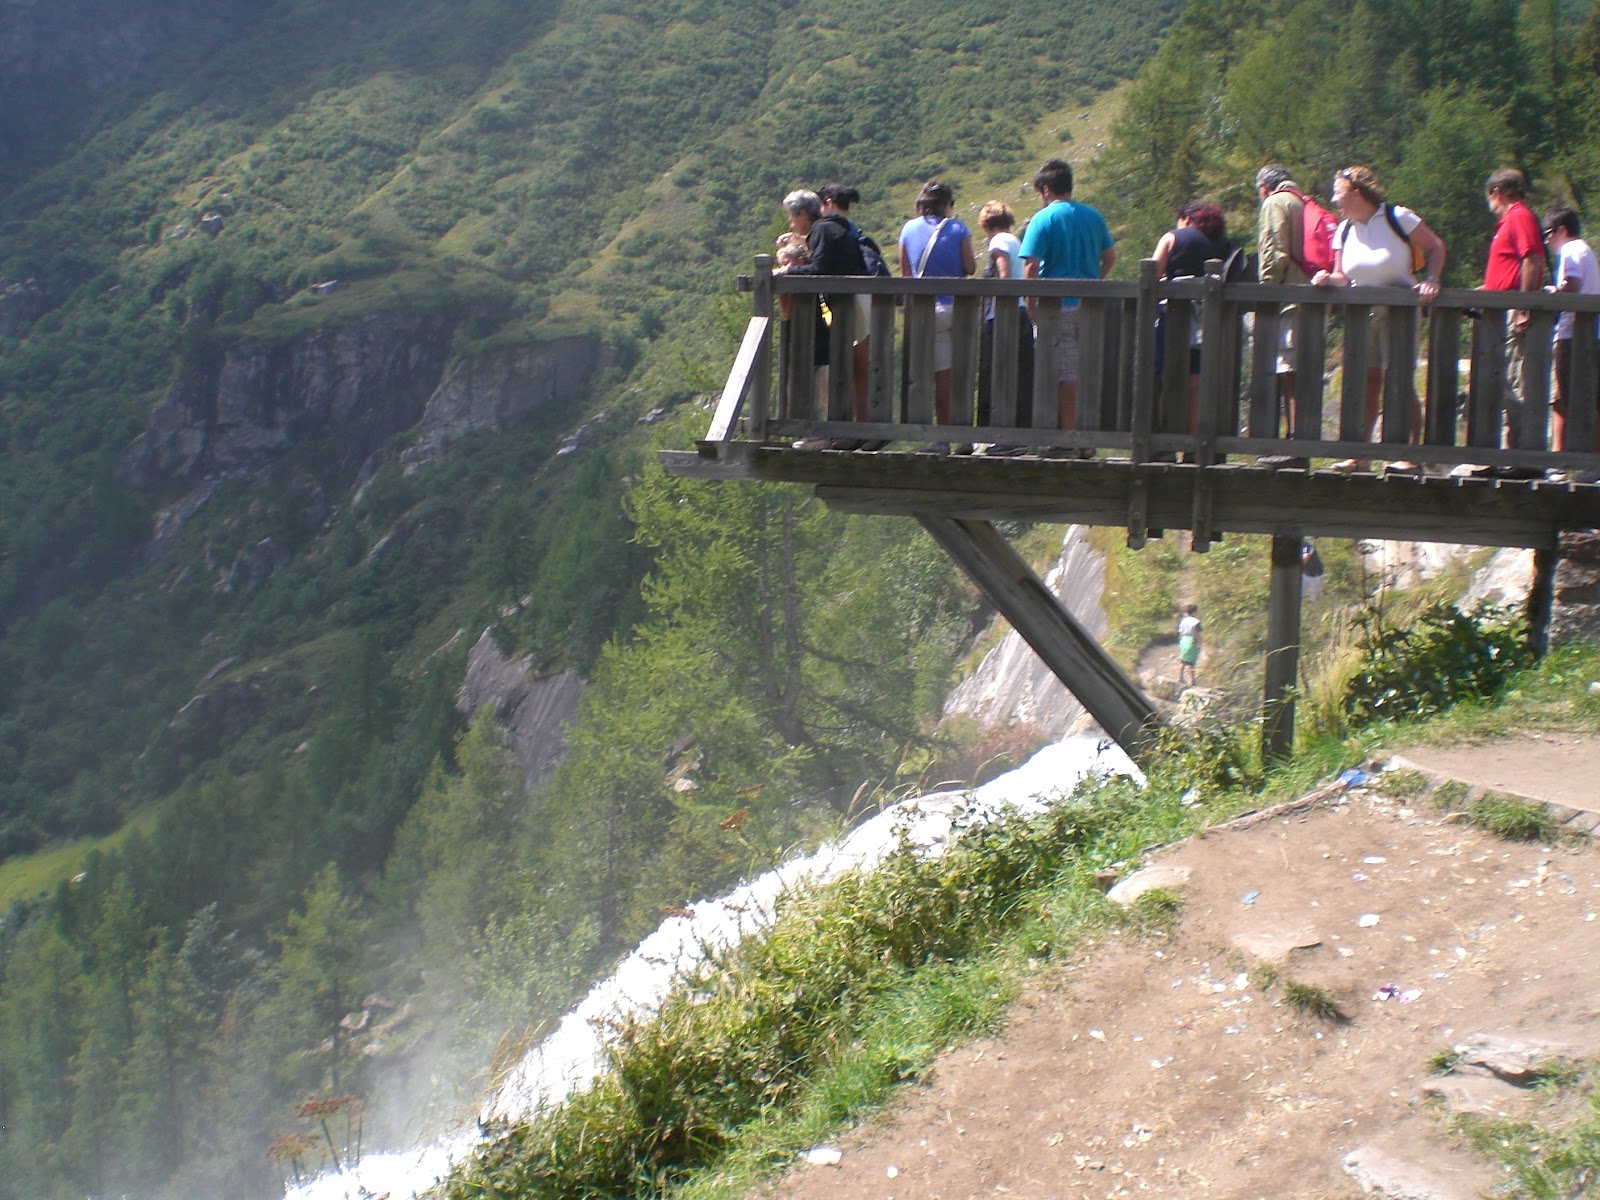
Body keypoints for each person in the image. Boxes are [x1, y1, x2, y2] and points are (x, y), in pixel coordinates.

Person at [1310, 165, 1445, 474]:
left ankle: (1409, 455)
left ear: (1356, 193)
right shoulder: (1344, 230)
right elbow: (1342, 276)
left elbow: (1435, 246)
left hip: (1400, 313)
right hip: (1363, 315)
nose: (1334, 200)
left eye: (1339, 193)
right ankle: (1360, 456)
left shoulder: (1398, 217)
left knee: (1399, 381)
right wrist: (1326, 277)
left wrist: (1432, 279)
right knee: (1365, 383)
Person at [1019, 158, 1116, 453]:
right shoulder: (1093, 216)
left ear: (1046, 189)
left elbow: (1030, 269)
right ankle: (1087, 440)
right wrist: (1093, 282)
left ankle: (1069, 439)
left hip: (1057, 307)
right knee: (1086, 371)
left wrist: (1032, 306)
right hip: (1088, 306)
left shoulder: (1043, 219)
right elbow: (1110, 257)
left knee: (1064, 374)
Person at [777, 188, 870, 451]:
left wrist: (786, 271)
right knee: (839, 369)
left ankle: (826, 434)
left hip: (843, 307)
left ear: (803, 214)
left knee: (827, 370)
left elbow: (819, 268)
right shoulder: (832, 229)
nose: (791, 223)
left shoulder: (822, 231)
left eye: (792, 218)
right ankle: (840, 432)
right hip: (853, 303)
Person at [898, 180, 976, 451]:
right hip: (959, 309)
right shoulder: (958, 227)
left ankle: (940, 439)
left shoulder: (908, 228)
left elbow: (906, 274)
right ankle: (965, 437)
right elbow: (969, 267)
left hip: (927, 311)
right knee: (962, 374)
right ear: (946, 204)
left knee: (936, 377)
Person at [1152, 200, 1236, 435]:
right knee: (1195, 384)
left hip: (1173, 317)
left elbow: (1152, 274)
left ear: (1187, 219)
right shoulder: (1219, 244)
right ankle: (1195, 442)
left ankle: (1161, 444)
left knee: (1162, 379)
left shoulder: (1173, 237)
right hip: (1206, 320)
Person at [1482, 169, 1546, 451]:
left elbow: (1532, 258)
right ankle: (1510, 453)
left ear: (1497, 193)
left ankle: (1521, 456)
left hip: (1513, 311)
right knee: (1505, 384)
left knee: (1517, 383)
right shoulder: (1509, 221)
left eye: (1490, 198)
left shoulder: (1519, 216)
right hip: (1501, 309)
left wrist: (1524, 307)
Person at [1255, 164, 1311, 448]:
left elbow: (1275, 250)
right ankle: (1299, 439)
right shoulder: (1304, 202)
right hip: (1312, 298)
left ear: (1264, 187)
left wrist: (1267, 289)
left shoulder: (1275, 203)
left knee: (1290, 373)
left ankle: (1294, 443)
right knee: (1304, 371)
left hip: (1289, 299)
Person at [818, 183, 880, 428]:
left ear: (830, 202)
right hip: (864, 296)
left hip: (846, 303)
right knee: (861, 367)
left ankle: (848, 424)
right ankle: (863, 423)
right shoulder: (851, 229)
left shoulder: (828, 228)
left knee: (847, 365)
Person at [976, 200, 1033, 456]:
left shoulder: (998, 243)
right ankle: (1018, 437)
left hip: (1002, 316)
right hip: (1019, 313)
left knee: (997, 374)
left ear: (986, 223)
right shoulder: (1015, 241)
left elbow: (1004, 276)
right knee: (1018, 375)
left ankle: (1001, 437)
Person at [1543, 206, 1599, 454]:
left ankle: (1558, 460)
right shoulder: (1586, 250)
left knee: (1560, 399)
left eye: (1549, 233)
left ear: (1562, 230)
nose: (1547, 240)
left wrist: (1553, 292)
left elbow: (1572, 284)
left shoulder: (1570, 250)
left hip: (1570, 334)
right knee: (1593, 398)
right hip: (1592, 333)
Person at [1176, 604, 1202, 688]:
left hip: (1183, 640)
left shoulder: (1182, 620)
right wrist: (1199, 644)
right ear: (1195, 612)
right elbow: (1197, 634)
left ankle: (1180, 678)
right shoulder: (1196, 622)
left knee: (1182, 660)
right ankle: (1193, 681)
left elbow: (1178, 631)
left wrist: (1180, 641)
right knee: (1192, 661)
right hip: (1191, 640)